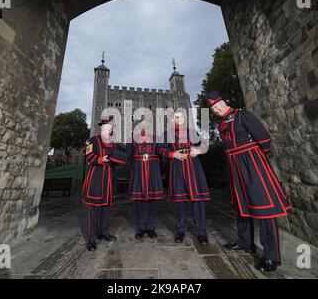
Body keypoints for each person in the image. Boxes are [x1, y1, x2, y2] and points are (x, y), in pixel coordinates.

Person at [204, 91, 292, 272]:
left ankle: (271, 257)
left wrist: (256, 161)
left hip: (252, 165)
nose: (216, 109)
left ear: (223, 101)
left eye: (218, 104)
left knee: (265, 208)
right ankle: (245, 243)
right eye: (212, 108)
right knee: (241, 205)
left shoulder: (242, 115)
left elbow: (264, 139)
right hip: (234, 166)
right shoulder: (221, 124)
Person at [81, 116, 128, 251]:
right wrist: (101, 159)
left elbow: (117, 159)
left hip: (109, 180)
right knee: (94, 210)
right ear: (102, 127)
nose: (109, 128)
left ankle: (104, 233)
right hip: (96, 179)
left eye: (111, 127)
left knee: (106, 209)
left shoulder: (113, 144)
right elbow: (88, 156)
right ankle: (91, 239)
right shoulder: (92, 141)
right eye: (107, 126)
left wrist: (118, 160)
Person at [165, 110, 210, 245]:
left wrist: (198, 151)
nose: (179, 119)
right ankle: (180, 231)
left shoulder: (192, 131)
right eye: (176, 117)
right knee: (180, 202)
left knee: (198, 201)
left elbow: (202, 145)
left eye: (182, 117)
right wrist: (173, 154)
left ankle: (201, 232)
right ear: (172, 120)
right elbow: (160, 149)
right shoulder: (167, 134)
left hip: (193, 167)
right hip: (178, 168)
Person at [125, 122, 168, 239]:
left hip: (153, 171)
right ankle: (141, 228)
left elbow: (162, 152)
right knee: (139, 202)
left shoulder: (157, 138)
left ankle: (151, 228)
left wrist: (165, 155)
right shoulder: (132, 139)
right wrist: (134, 166)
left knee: (153, 202)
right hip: (138, 172)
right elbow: (128, 155)